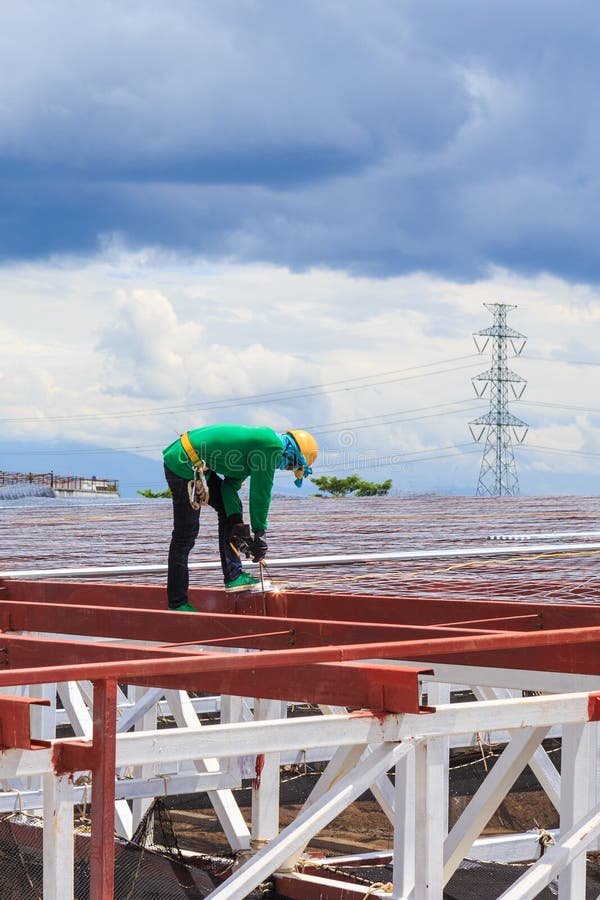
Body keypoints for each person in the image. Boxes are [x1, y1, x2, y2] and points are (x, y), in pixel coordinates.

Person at [162, 424, 319, 611]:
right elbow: (261, 493)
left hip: (195, 462)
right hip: (182, 462)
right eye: (292, 464)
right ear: (292, 451)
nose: (286, 468)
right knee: (185, 536)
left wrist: (237, 524)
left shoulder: (256, 451)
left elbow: (229, 488)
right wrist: (260, 533)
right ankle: (177, 603)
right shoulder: (271, 446)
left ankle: (233, 576)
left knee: (229, 514)